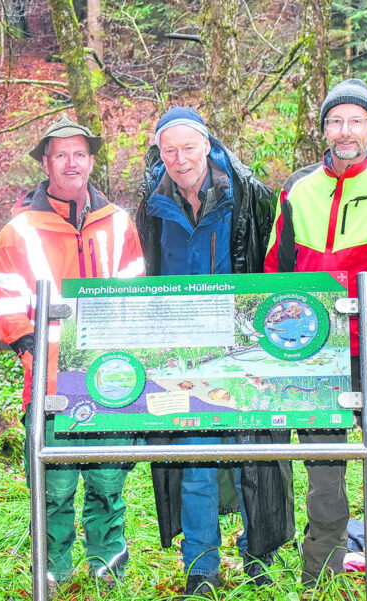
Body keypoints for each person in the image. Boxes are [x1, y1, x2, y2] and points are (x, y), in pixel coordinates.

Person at [263, 79, 367, 599]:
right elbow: (278, 273)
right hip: (318, 353)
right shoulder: (297, 188)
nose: (345, 131)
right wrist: (283, 346)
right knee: (323, 471)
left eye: (356, 121)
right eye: (335, 121)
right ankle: (320, 580)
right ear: (324, 130)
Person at [135, 107, 295, 596]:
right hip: (180, 350)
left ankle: (257, 554)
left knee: (254, 453)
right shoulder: (150, 203)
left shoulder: (250, 195)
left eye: (188, 147)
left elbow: (277, 264)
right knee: (194, 456)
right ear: (160, 154)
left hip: (243, 345)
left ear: (207, 144)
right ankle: (201, 567)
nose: (180, 159)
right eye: (169, 150)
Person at [0, 115, 145, 590]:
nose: (71, 163)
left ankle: (107, 563)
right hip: (50, 382)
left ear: (91, 161)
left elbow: (135, 299)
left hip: (112, 381)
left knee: (108, 482)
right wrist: (32, 356)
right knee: (54, 486)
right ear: (46, 162)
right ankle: (53, 566)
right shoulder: (18, 231)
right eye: (61, 155)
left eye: (80, 153)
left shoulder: (119, 224)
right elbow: (6, 305)